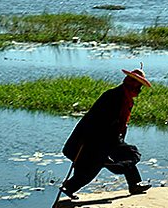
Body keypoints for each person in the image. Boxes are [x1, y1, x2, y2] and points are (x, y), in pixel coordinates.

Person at [60, 68, 153, 197]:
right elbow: (97, 122)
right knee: (93, 166)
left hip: (107, 139)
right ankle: (70, 187)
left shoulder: (125, 98)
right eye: (138, 86)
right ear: (130, 83)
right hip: (92, 139)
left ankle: (133, 184)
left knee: (126, 155)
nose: (139, 90)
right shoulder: (113, 96)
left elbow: (119, 124)